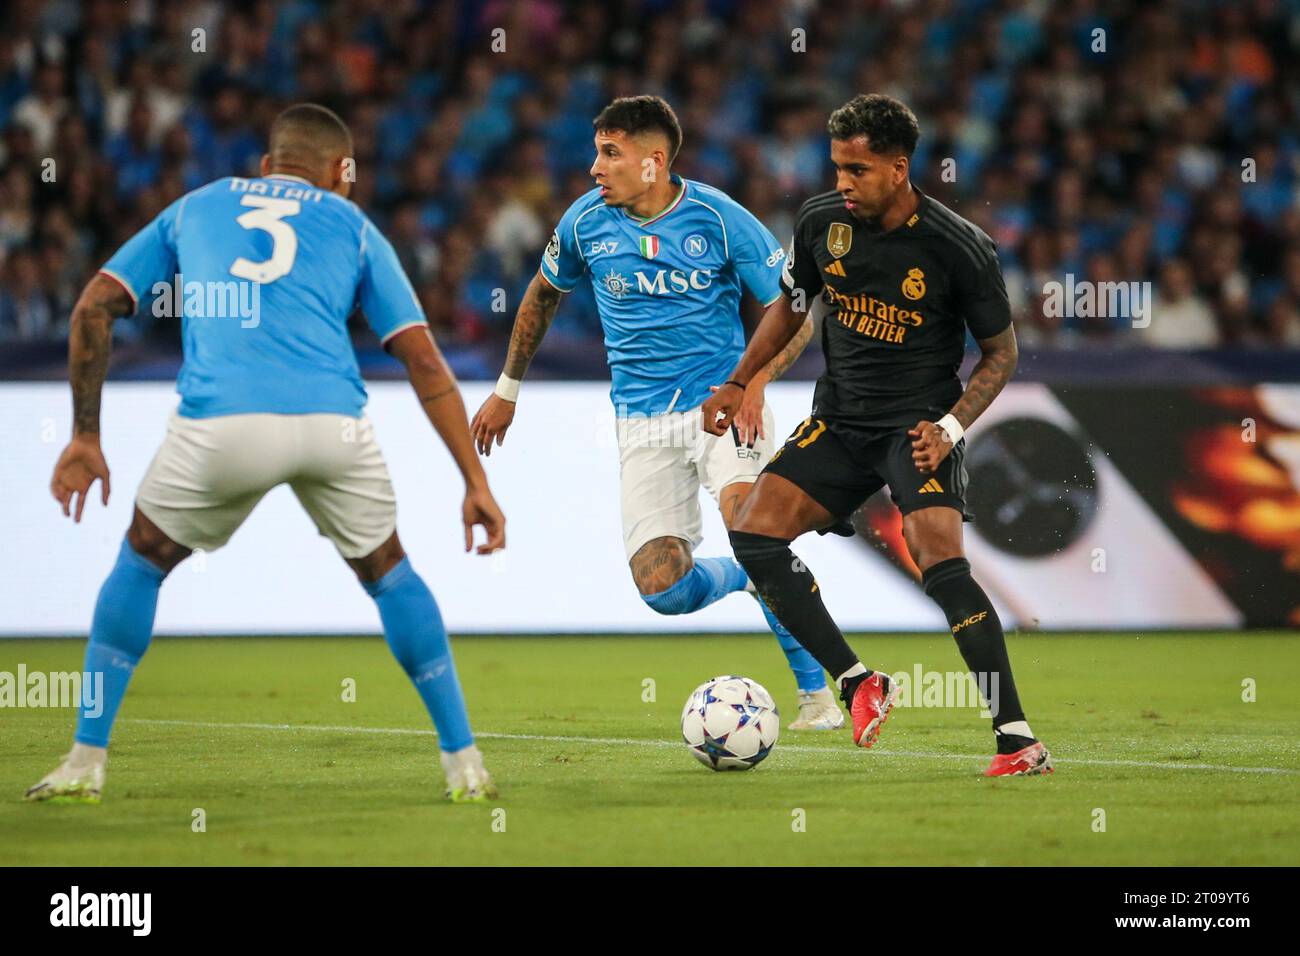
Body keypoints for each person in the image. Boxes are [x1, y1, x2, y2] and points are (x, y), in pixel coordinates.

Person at [28, 104, 505, 804]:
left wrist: (86, 435)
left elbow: (93, 308)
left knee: (140, 563)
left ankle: (84, 762)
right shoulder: (354, 226)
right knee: (391, 574)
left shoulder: (196, 206)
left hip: (222, 427)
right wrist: (475, 481)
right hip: (332, 427)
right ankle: (464, 764)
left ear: (266, 166)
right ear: (342, 172)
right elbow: (425, 362)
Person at [703, 94, 1052, 776]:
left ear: (899, 169)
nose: (842, 182)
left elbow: (1001, 353)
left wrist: (950, 428)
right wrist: (742, 380)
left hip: (917, 425)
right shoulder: (821, 221)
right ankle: (858, 681)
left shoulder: (958, 247)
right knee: (753, 534)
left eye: (857, 170)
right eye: (837, 167)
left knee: (940, 562)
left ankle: (1016, 737)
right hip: (839, 421)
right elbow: (789, 308)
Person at [470, 96, 842, 730]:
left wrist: (753, 384)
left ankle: (818, 698)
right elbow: (540, 294)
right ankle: (745, 579)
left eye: (610, 153)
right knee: (662, 588)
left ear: (654, 162)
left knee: (752, 528)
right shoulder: (585, 223)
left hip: (723, 406)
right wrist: (507, 389)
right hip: (643, 423)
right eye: (597, 152)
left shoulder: (719, 218)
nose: (595, 167)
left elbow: (798, 310)